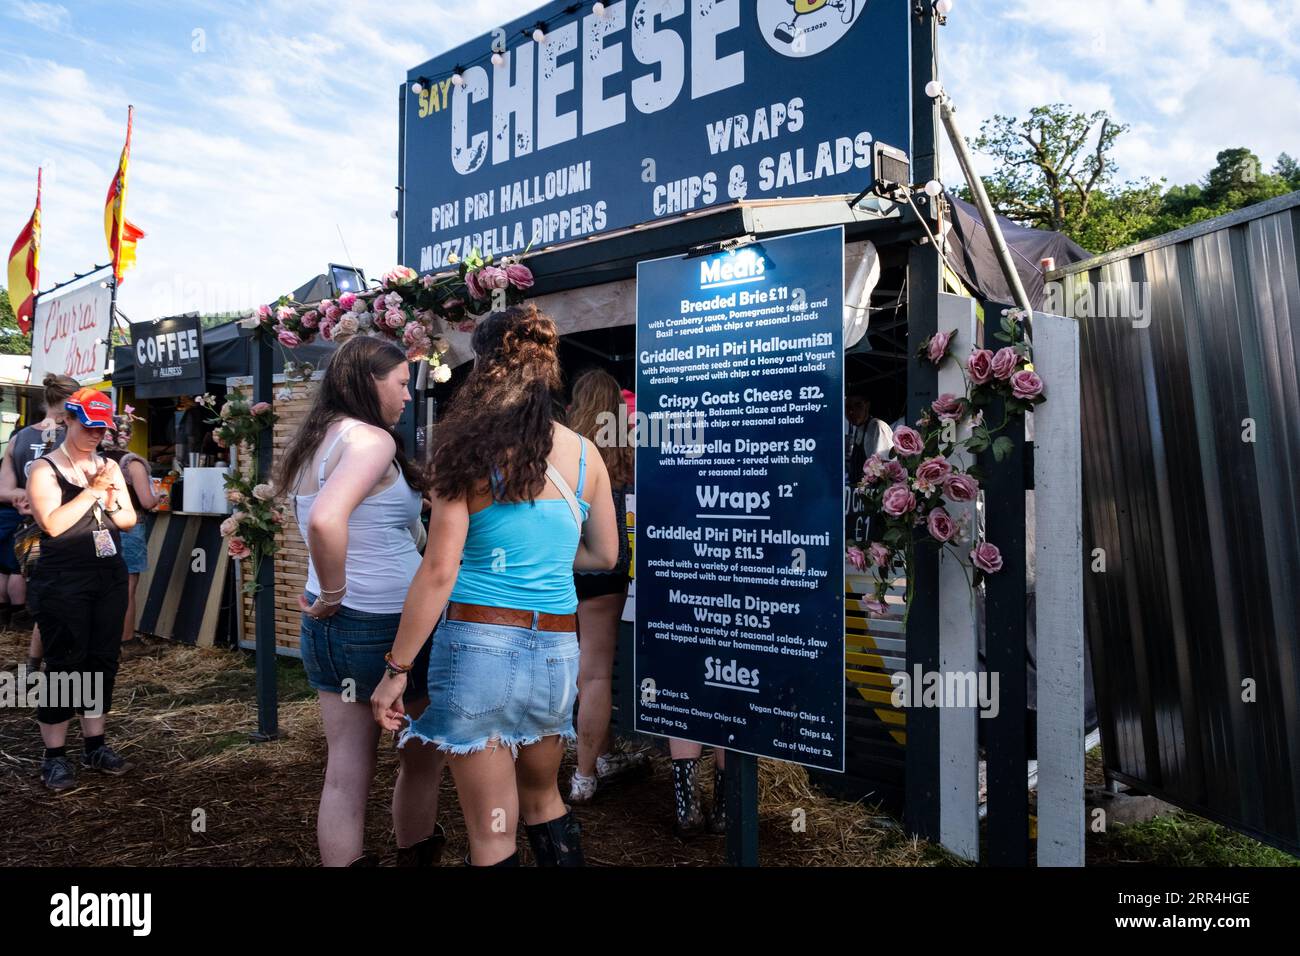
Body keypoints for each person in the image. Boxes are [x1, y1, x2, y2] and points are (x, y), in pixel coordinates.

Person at [372, 304, 620, 867]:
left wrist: (396, 670)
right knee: (544, 800)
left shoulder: (466, 450)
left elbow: (439, 570)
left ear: (484, 367)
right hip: (557, 650)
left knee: (491, 832)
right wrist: (549, 559)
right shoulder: (586, 455)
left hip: (479, 650)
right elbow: (605, 553)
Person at [276, 335, 447, 867]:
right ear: (368, 382)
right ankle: (415, 857)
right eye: (400, 384)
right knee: (420, 759)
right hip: (387, 626)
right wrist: (335, 589)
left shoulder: (317, 438)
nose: (406, 397)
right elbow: (327, 520)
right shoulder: (371, 440)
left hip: (331, 628)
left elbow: (325, 518)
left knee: (345, 772)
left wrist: (329, 595)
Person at [27, 387, 136, 792]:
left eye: (101, 429)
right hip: (62, 579)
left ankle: (95, 745)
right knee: (64, 663)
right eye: (88, 427)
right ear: (68, 420)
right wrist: (91, 491)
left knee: (102, 659)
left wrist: (108, 496)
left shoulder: (107, 465)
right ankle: (53, 756)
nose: (95, 435)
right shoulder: (45, 468)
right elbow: (52, 524)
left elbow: (128, 520)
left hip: (107, 575)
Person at [565, 370, 648, 805]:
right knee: (595, 672)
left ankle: (600, 755)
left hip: (563, 565)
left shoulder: (564, 447)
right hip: (608, 566)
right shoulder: (626, 448)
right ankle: (584, 776)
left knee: (569, 668)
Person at [0, 373, 78, 670]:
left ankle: (36, 661)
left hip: (29, 530)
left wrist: (27, 496)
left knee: (45, 595)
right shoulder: (72, 434)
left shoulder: (19, 438)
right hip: (64, 528)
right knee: (60, 596)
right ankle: (53, 661)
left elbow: (4, 490)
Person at [100, 414, 158, 651]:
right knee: (127, 586)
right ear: (128, 435)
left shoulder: (95, 461)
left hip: (100, 528)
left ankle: (103, 637)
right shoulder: (131, 463)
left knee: (103, 584)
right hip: (129, 528)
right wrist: (159, 497)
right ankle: (126, 641)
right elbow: (145, 501)